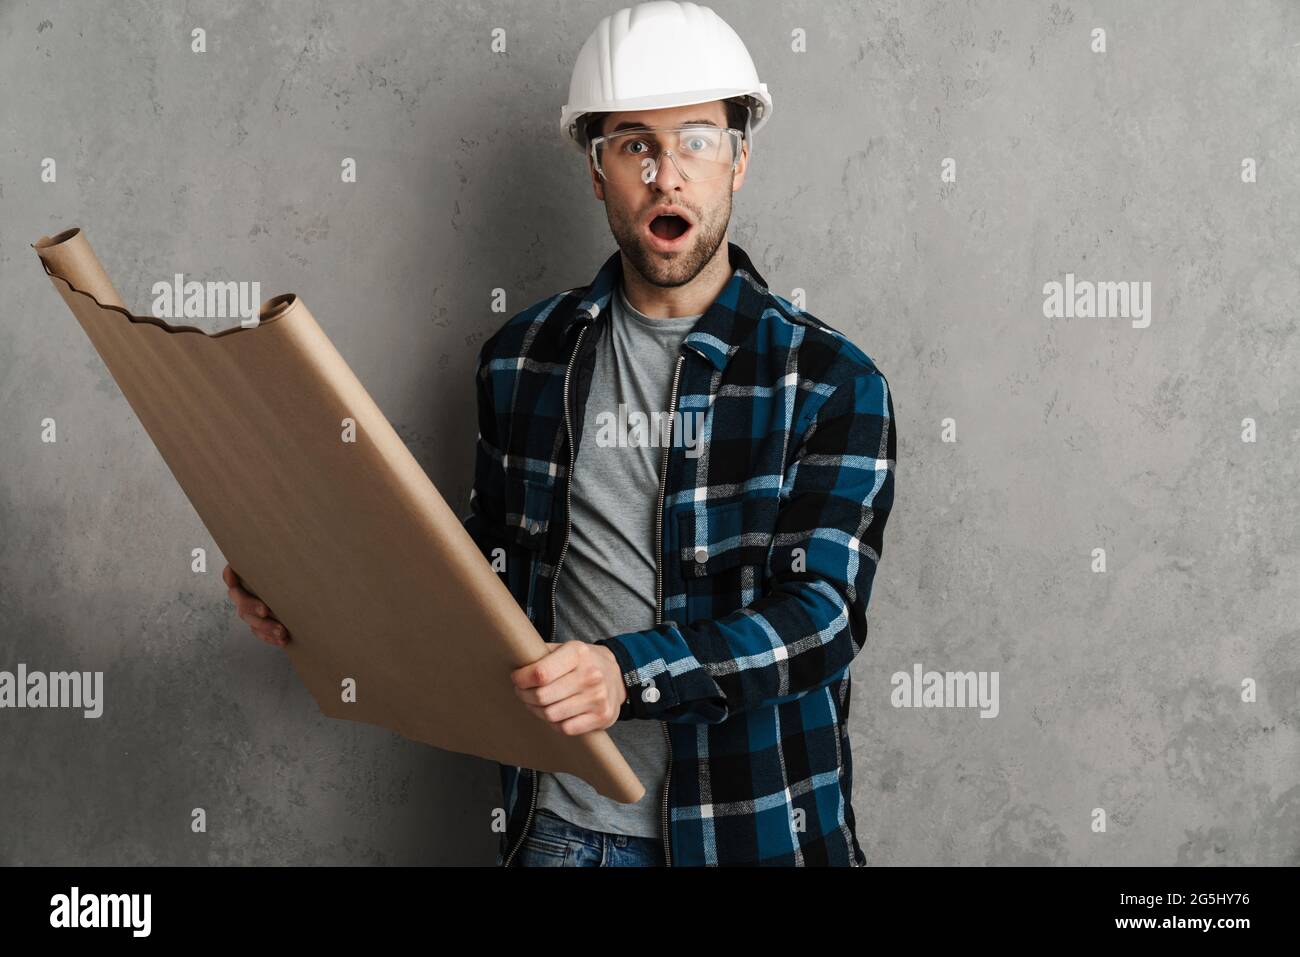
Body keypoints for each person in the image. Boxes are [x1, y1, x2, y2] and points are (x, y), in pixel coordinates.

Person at [225, 0, 897, 867]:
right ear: (595, 169)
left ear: (740, 159)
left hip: (754, 833)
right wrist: (311, 592)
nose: (666, 176)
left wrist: (629, 672)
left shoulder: (832, 382)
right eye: (634, 145)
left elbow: (821, 618)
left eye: (696, 139)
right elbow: (481, 574)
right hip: (561, 834)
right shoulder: (523, 360)